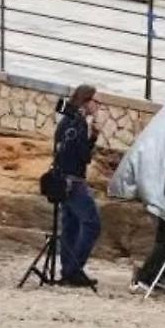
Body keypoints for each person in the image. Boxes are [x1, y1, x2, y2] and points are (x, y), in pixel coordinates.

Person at [54, 84, 102, 288]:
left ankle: (67, 270)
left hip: (61, 178)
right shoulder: (79, 123)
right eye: (96, 101)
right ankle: (74, 269)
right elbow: (83, 157)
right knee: (92, 224)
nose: (97, 105)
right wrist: (92, 137)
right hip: (74, 181)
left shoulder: (66, 120)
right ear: (86, 100)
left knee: (70, 226)